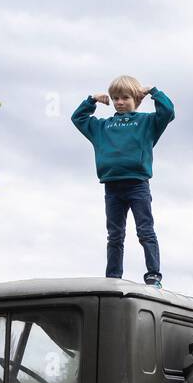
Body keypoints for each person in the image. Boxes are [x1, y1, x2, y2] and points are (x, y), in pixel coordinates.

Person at [71, 75, 174, 285]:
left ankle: (153, 274)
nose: (119, 102)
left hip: (137, 185)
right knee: (115, 235)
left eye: (125, 97)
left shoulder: (147, 122)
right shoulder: (103, 126)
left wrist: (154, 91)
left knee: (145, 230)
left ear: (135, 98)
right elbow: (78, 118)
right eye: (115, 97)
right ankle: (113, 277)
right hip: (112, 187)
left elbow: (168, 112)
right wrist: (92, 100)